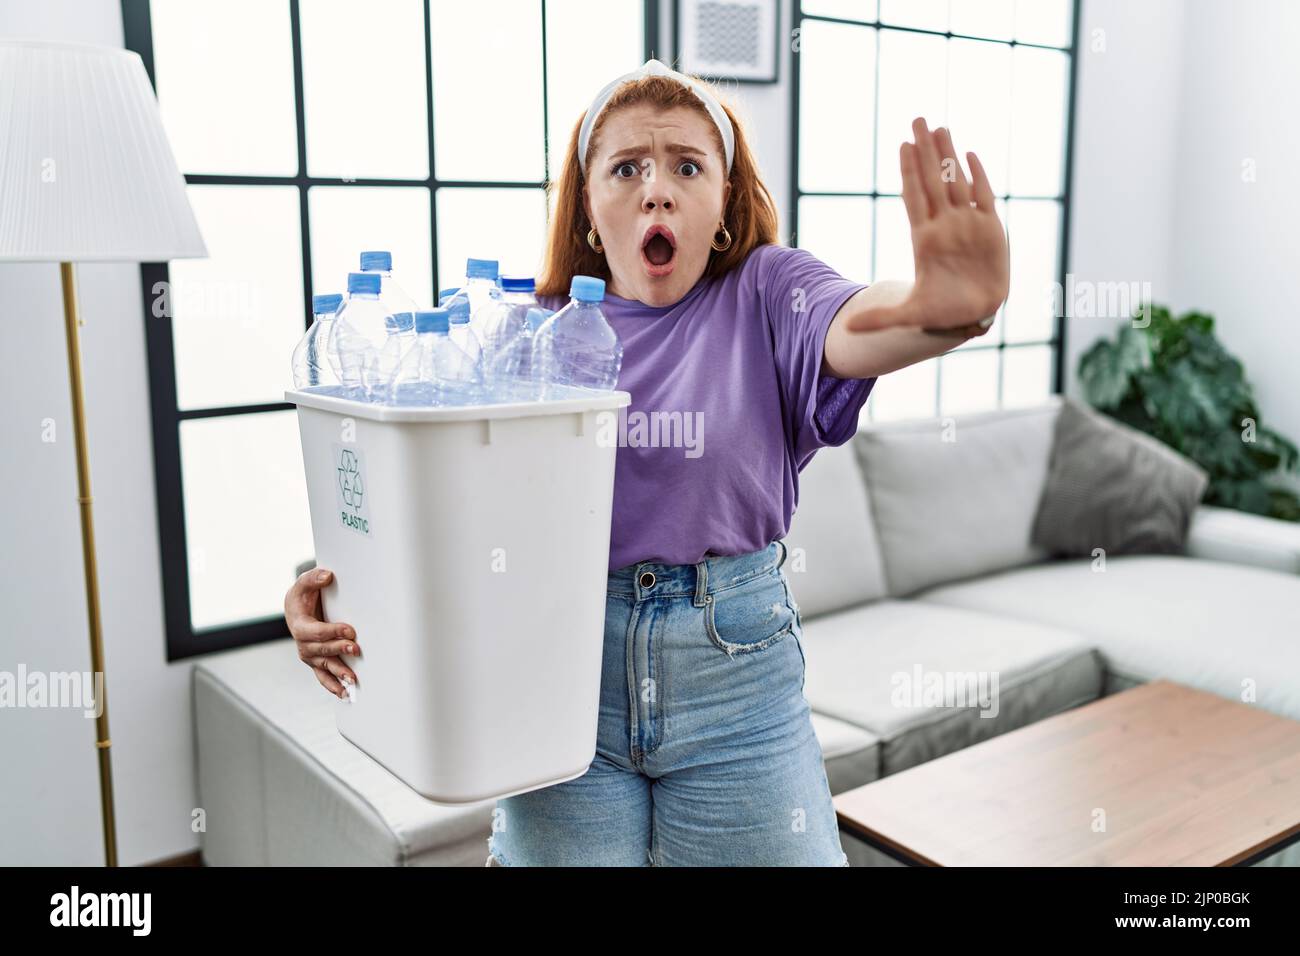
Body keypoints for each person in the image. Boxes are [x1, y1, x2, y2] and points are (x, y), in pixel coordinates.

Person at [284, 58, 1009, 866]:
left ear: (722, 208)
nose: (657, 189)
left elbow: (867, 326)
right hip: (556, 676)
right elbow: (428, 497)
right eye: (627, 167)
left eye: (686, 167)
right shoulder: (524, 338)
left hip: (736, 680)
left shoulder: (768, 293)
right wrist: (342, 586)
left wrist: (944, 306)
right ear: (590, 208)